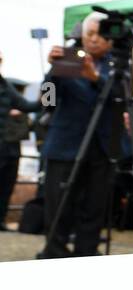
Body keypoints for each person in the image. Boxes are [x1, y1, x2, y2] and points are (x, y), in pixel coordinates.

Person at [38, 14, 116, 258]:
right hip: (65, 146)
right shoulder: (67, 60)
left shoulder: (119, 65)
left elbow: (123, 98)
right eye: (89, 34)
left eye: (100, 35)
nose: (94, 40)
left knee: (93, 210)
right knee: (58, 207)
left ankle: (87, 253)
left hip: (102, 149)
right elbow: (47, 101)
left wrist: (96, 79)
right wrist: (51, 72)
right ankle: (54, 252)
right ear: (82, 35)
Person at [0, 52, 41, 232]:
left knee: (6, 185)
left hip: (9, 148)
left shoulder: (5, 86)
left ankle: (0, 221)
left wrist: (50, 85)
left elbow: (31, 106)